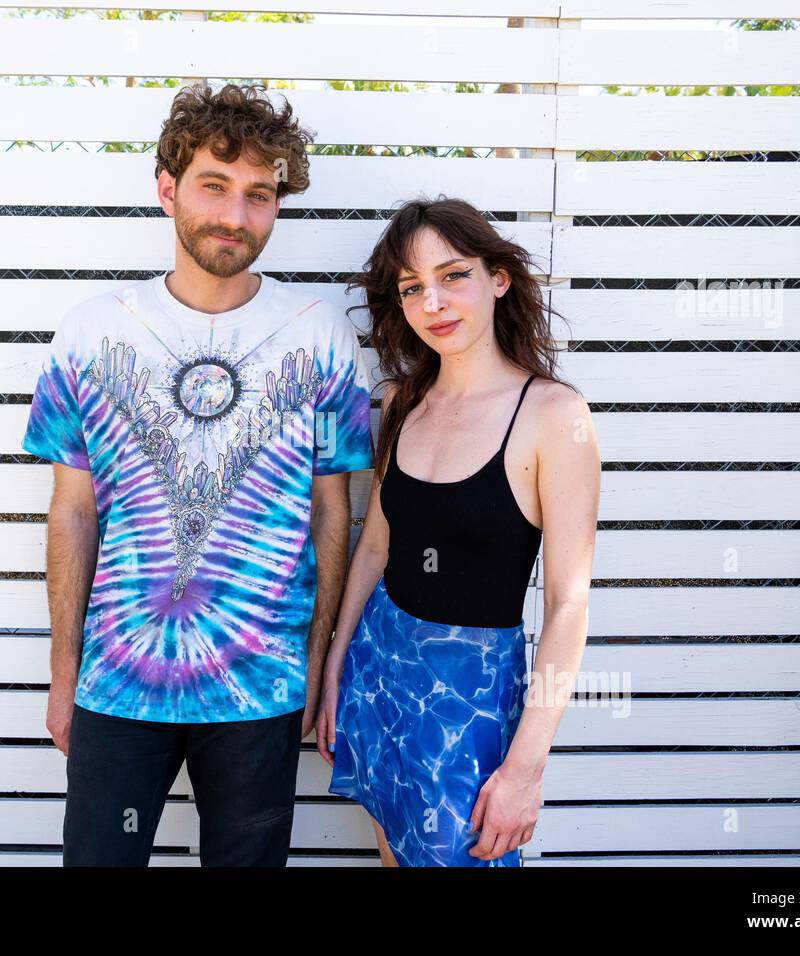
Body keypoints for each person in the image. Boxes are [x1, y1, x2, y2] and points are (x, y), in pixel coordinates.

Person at [21, 82, 374, 866]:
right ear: (167, 188)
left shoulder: (319, 337)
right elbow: (72, 513)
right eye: (215, 186)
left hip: (261, 691)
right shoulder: (90, 331)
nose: (237, 216)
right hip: (115, 684)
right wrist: (62, 671)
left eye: (260, 195)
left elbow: (332, 510)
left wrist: (315, 666)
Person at [318, 197, 599, 866]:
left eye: (453, 275)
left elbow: (569, 603)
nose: (434, 302)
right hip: (380, 666)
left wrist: (526, 768)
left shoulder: (555, 416)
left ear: (499, 278)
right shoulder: (400, 401)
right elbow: (378, 546)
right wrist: (335, 664)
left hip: (469, 700)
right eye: (413, 288)